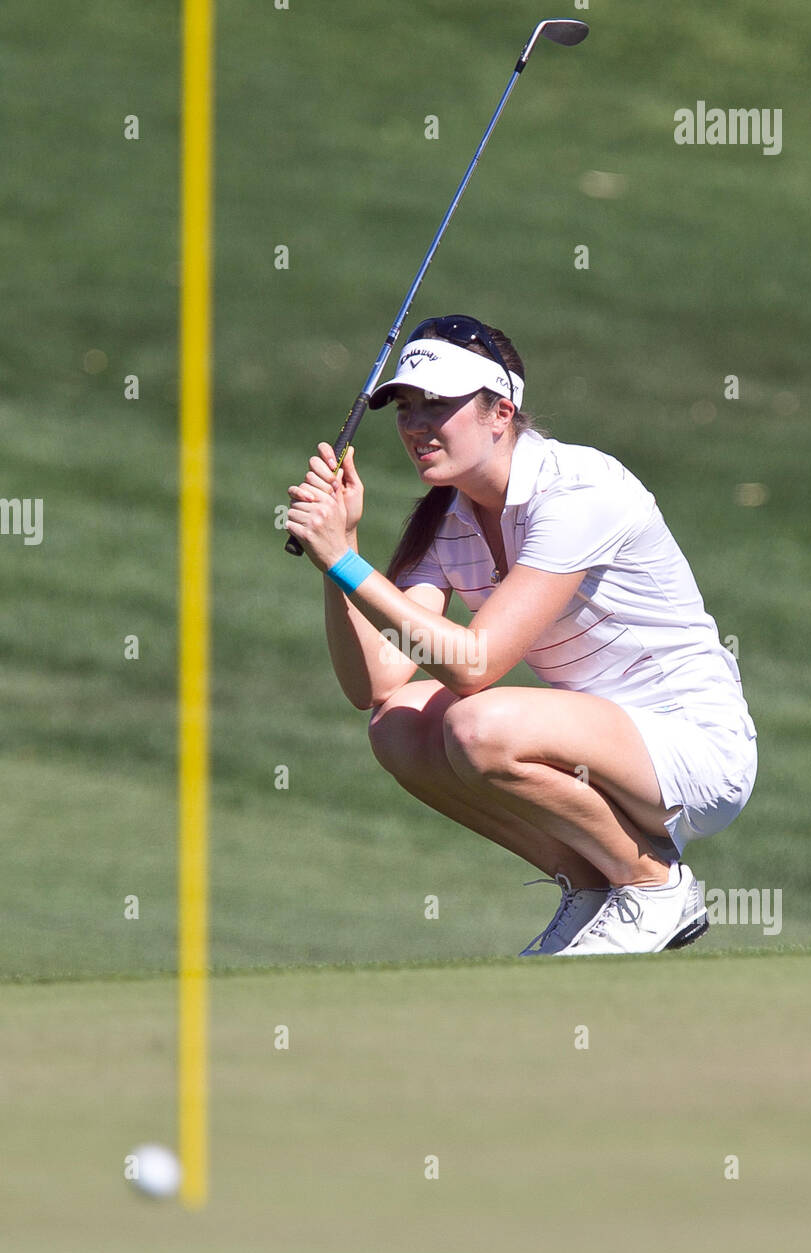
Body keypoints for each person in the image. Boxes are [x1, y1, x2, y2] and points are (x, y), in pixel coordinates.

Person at [285, 314, 758, 955]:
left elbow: (475, 665)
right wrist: (334, 557)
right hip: (598, 743)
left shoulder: (580, 490)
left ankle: (651, 886)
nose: (418, 424)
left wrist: (346, 561)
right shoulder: (447, 518)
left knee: (478, 727)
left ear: (500, 411)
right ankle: (590, 886)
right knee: (398, 726)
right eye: (405, 407)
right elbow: (373, 680)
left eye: (440, 405)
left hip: (694, 752)